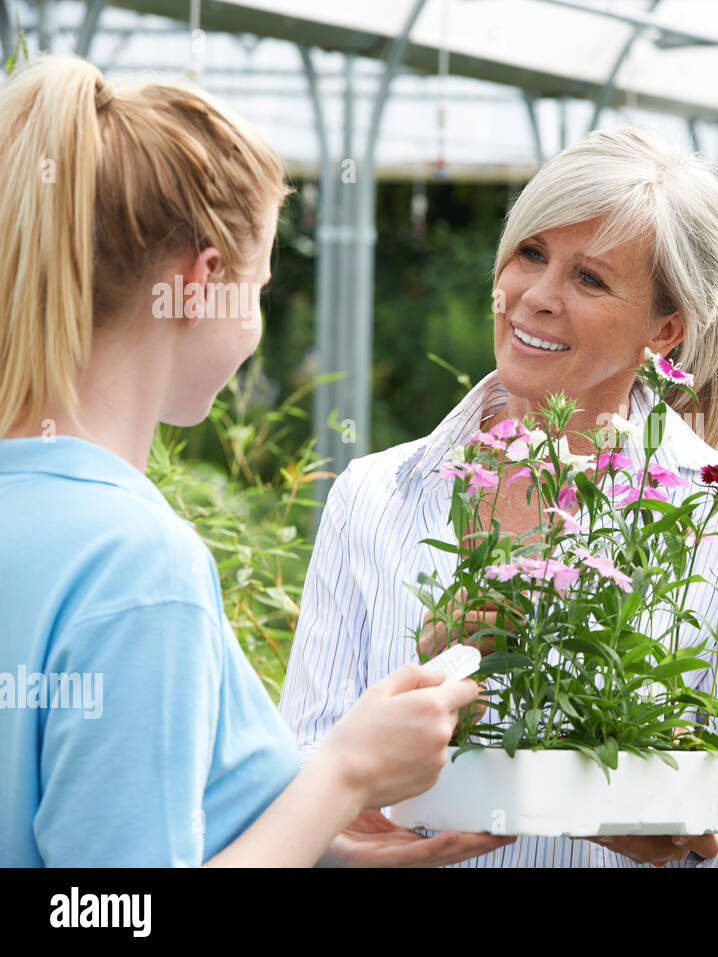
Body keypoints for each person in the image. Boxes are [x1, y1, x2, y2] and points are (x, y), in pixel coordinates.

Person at [0, 54, 514, 867]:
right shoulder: (137, 567)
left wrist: (326, 841)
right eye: (262, 287)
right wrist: (345, 775)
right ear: (203, 282)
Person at [279, 126, 718, 867]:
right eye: (531, 253)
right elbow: (304, 753)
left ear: (663, 333)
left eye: (589, 279)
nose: (534, 297)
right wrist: (349, 817)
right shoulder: (375, 496)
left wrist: (702, 828)